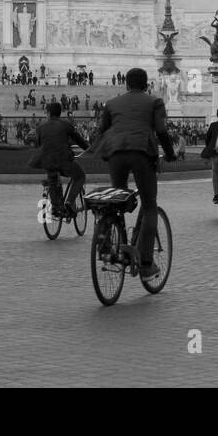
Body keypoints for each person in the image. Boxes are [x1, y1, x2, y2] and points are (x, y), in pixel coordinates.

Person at [92, 68, 179, 282]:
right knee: (149, 206)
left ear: (126, 85)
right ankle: (147, 265)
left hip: (115, 154)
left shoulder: (112, 103)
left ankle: (108, 244)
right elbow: (161, 131)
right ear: (146, 84)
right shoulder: (154, 102)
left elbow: (102, 129)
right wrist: (169, 154)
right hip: (141, 152)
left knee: (115, 198)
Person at [36, 101, 90, 213]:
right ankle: (69, 202)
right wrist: (89, 149)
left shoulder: (41, 127)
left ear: (49, 113)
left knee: (53, 176)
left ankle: (56, 207)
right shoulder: (65, 125)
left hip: (48, 161)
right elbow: (79, 140)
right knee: (80, 177)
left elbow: (39, 145)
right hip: (64, 160)